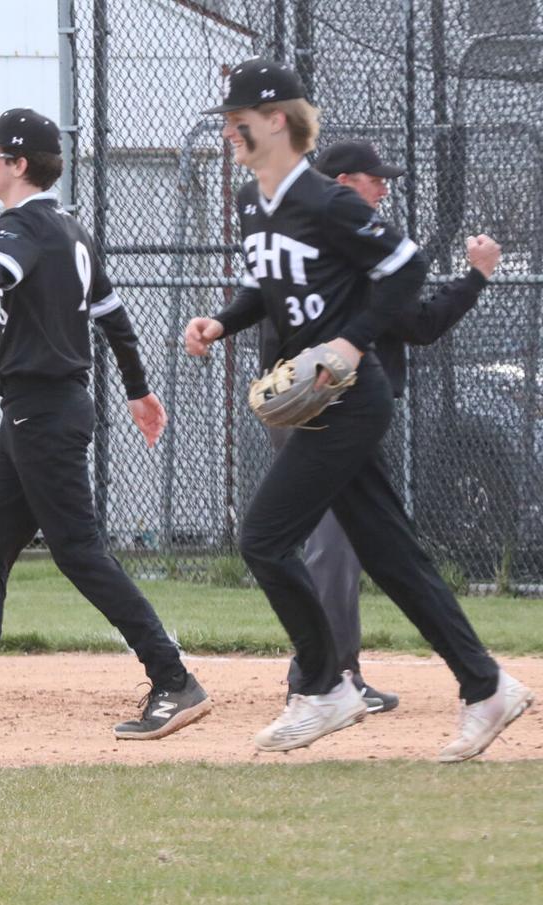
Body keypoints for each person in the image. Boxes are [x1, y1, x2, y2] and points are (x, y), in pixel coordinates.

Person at [184, 59, 532, 760]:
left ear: (276, 119)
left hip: (350, 396)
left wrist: (350, 340)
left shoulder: (326, 199)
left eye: (238, 119)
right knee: (393, 555)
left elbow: (405, 269)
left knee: (263, 537)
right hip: (316, 398)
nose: (228, 129)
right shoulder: (254, 201)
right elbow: (265, 288)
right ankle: (487, 685)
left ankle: (324, 684)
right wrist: (221, 321)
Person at [0, 108, 212, 742]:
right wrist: (139, 390)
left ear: (18, 165)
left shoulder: (25, 223)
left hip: (44, 411)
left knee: (78, 553)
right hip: (37, 411)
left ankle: (172, 679)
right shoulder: (71, 229)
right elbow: (113, 316)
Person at [271, 139, 503, 714]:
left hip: (309, 402)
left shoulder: (303, 238)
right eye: (376, 180)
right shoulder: (344, 247)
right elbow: (419, 322)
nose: (385, 188)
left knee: (332, 539)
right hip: (331, 408)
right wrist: (475, 278)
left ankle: (325, 669)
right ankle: (325, 674)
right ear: (344, 182)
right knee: (337, 544)